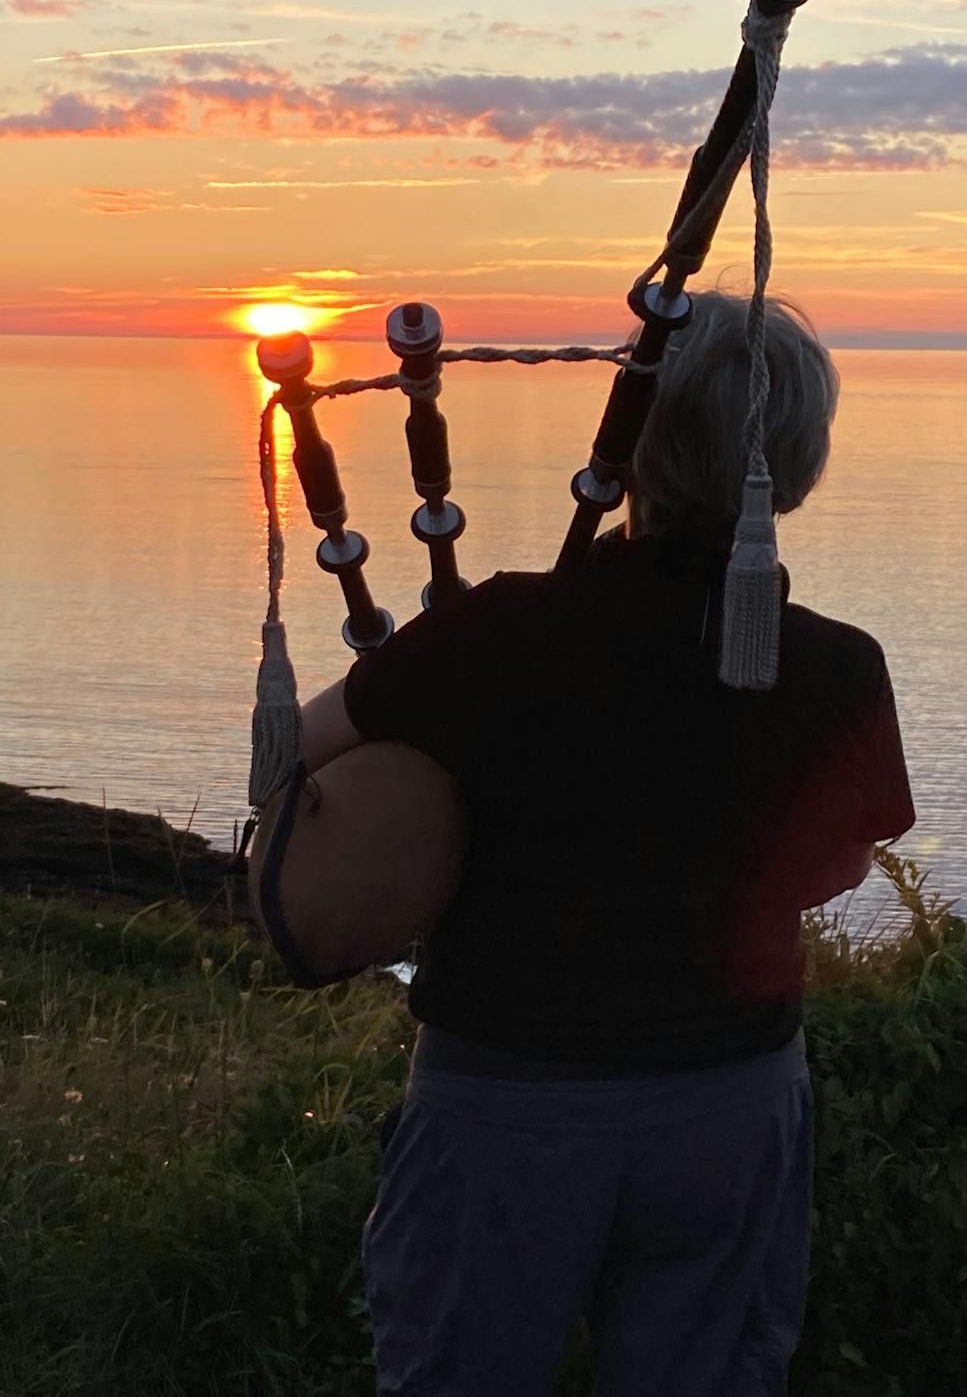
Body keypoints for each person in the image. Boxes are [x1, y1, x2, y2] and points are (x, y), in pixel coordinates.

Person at [299, 290, 915, 1397]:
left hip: (505, 1111)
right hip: (731, 1110)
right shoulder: (840, 668)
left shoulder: (498, 630)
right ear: (799, 464)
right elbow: (833, 868)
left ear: (631, 451)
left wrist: (427, 816)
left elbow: (296, 756)